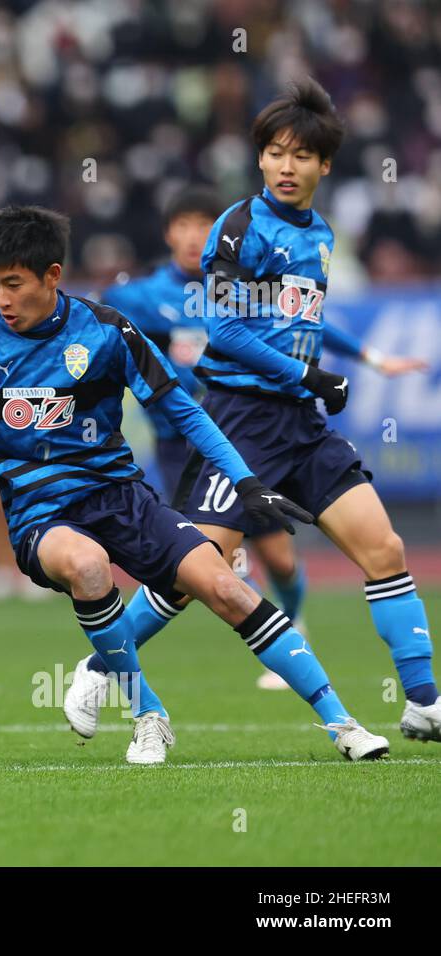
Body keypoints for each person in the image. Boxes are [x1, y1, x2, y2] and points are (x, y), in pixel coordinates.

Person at [0, 203, 389, 764]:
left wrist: (244, 479)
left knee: (227, 587)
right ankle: (149, 715)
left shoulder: (108, 332)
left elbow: (184, 412)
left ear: (52, 276)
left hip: (123, 496)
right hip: (41, 513)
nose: (2, 300)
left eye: (14, 285)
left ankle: (343, 723)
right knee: (89, 565)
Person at [68, 78, 439, 744]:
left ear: (325, 166)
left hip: (302, 425)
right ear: (261, 158)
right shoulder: (238, 229)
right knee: (193, 575)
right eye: (275, 152)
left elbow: (305, 322)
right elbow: (230, 333)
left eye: (302, 156)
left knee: (384, 547)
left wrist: (362, 362)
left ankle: (423, 703)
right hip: (240, 421)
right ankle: (98, 668)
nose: (287, 166)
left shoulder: (322, 234)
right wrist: (311, 374)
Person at [100, 185, 429, 691]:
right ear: (168, 232)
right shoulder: (141, 297)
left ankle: (301, 632)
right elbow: (89, 323)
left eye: (201, 223)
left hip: (270, 432)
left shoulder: (255, 279)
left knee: (280, 557)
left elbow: (314, 323)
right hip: (187, 441)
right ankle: (104, 668)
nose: (193, 235)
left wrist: (372, 358)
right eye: (182, 224)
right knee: (209, 566)